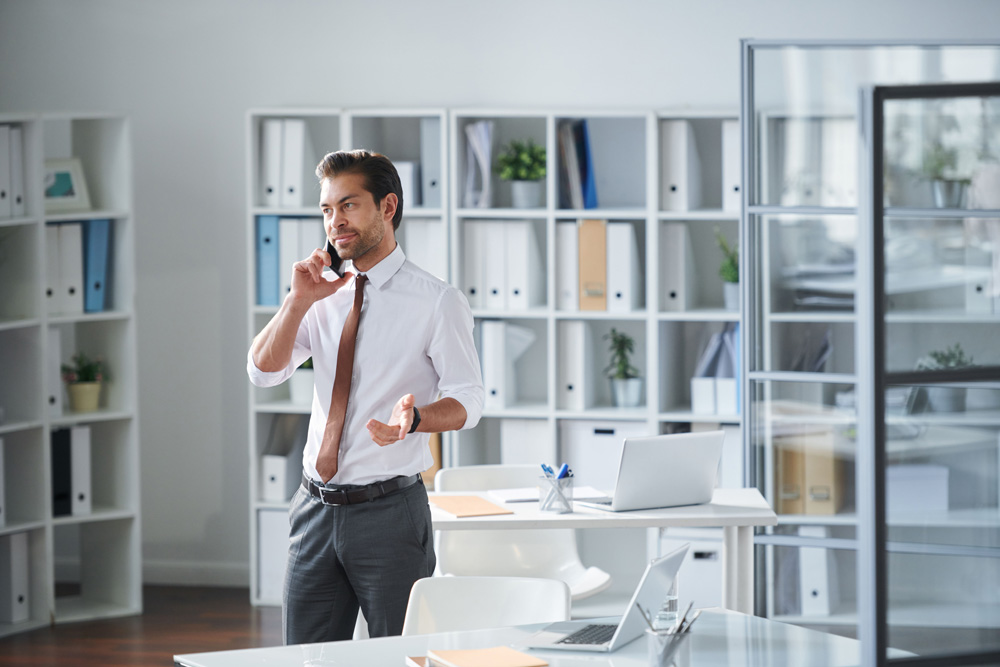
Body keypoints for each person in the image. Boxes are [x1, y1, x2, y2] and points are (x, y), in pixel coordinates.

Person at [247, 149, 484, 644]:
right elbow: (263, 372)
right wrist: (297, 302)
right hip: (314, 508)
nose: (335, 222)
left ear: (388, 207)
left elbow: (469, 400)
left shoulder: (437, 301)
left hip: (389, 515)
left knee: (399, 656)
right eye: (327, 210)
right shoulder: (319, 293)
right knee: (305, 661)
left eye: (349, 205)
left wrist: (416, 418)